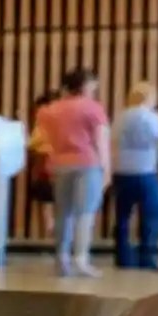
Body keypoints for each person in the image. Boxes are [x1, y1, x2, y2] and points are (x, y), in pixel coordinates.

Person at [36, 69, 110, 278]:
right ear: (85, 85)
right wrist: (106, 169)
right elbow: (100, 142)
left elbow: (44, 141)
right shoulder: (93, 109)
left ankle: (61, 258)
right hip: (87, 164)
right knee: (85, 213)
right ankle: (81, 259)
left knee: (63, 213)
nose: (94, 88)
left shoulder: (49, 111)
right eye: (93, 85)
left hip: (59, 165)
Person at [111, 82, 158, 269]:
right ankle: (147, 256)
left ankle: (122, 256)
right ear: (150, 98)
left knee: (122, 216)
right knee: (152, 214)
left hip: (121, 171)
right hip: (145, 172)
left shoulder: (120, 117)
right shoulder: (152, 117)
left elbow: (113, 140)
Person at [28, 91, 60, 236]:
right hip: (64, 165)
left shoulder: (41, 125)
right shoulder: (65, 122)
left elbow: (32, 144)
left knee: (47, 203)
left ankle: (51, 231)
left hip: (45, 165)